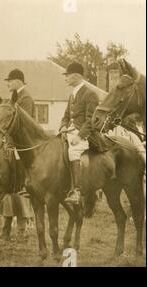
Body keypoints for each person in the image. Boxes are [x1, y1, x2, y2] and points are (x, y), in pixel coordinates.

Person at [0, 69, 35, 240]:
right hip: (12, 145)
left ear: (19, 81)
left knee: (19, 189)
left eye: (10, 81)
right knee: (8, 188)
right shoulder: (11, 99)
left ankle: (21, 228)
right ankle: (6, 227)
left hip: (22, 147)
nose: (7, 84)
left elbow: (21, 125)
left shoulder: (25, 98)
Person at [59, 62, 99, 205]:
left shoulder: (90, 94)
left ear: (76, 76)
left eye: (67, 75)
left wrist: (79, 136)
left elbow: (91, 120)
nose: (65, 78)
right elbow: (65, 116)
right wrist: (63, 126)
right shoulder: (72, 94)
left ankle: (76, 191)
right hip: (69, 131)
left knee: (73, 152)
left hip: (83, 133)